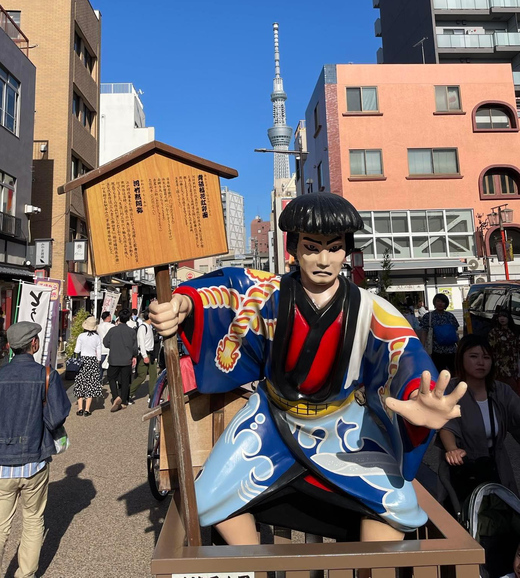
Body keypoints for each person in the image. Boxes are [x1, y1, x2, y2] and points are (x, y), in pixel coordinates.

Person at [150, 192, 466, 545]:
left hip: (343, 425)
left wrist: (416, 395)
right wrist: (182, 304)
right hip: (270, 419)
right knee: (206, 500)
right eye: (312, 248)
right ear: (293, 248)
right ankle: (253, 565)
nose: (323, 260)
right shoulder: (266, 293)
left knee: (399, 508)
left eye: (334, 248)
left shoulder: (372, 309)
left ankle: (367, 568)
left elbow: (403, 354)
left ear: (347, 251)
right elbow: (223, 291)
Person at [0, 322, 70, 578]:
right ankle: (25, 575)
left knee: (0, 526)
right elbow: (57, 417)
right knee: (32, 520)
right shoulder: (46, 375)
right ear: (34, 343)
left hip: (1, 464)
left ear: (10, 346)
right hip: (34, 461)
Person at [439, 334, 520, 504]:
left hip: (496, 466)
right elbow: (446, 425)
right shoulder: (451, 389)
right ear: (461, 359)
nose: (481, 362)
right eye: (474, 356)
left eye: (486, 357)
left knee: (503, 512)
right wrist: (452, 449)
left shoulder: (501, 391)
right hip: (463, 469)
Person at [103, 307, 137, 412]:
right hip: (127, 359)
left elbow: (105, 342)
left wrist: (113, 345)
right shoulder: (131, 331)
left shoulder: (113, 330)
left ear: (119, 318)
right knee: (125, 380)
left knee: (111, 378)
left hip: (114, 358)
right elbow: (134, 347)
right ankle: (124, 401)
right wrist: (134, 356)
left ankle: (116, 396)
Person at [419, 293, 459, 373]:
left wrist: (460, 346)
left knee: (455, 373)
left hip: (451, 350)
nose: (440, 303)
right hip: (436, 351)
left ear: (446, 304)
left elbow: (455, 332)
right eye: (438, 301)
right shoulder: (428, 316)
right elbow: (424, 331)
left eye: (443, 302)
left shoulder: (450, 316)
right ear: (434, 302)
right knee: (438, 373)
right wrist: (422, 347)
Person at [73, 315, 103, 417]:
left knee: (80, 384)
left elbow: (77, 350)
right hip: (93, 360)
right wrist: (98, 361)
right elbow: (99, 351)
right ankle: (87, 409)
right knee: (91, 384)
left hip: (82, 361)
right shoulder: (97, 337)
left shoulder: (81, 336)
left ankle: (80, 408)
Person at [488, 310, 520, 395]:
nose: (502, 318)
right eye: (500, 316)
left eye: (504, 316)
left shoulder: (514, 331)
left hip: (512, 364)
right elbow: (490, 347)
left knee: (512, 389)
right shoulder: (494, 332)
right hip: (498, 365)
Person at [129, 310, 157, 404]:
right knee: (142, 376)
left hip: (151, 354)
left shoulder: (149, 327)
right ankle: (129, 394)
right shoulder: (143, 327)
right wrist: (144, 356)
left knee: (153, 375)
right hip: (144, 354)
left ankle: (152, 396)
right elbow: (141, 343)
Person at [97, 311, 113, 382]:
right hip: (109, 348)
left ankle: (99, 380)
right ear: (108, 317)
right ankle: (110, 380)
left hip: (101, 348)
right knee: (110, 366)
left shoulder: (98, 326)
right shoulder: (112, 326)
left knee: (100, 366)